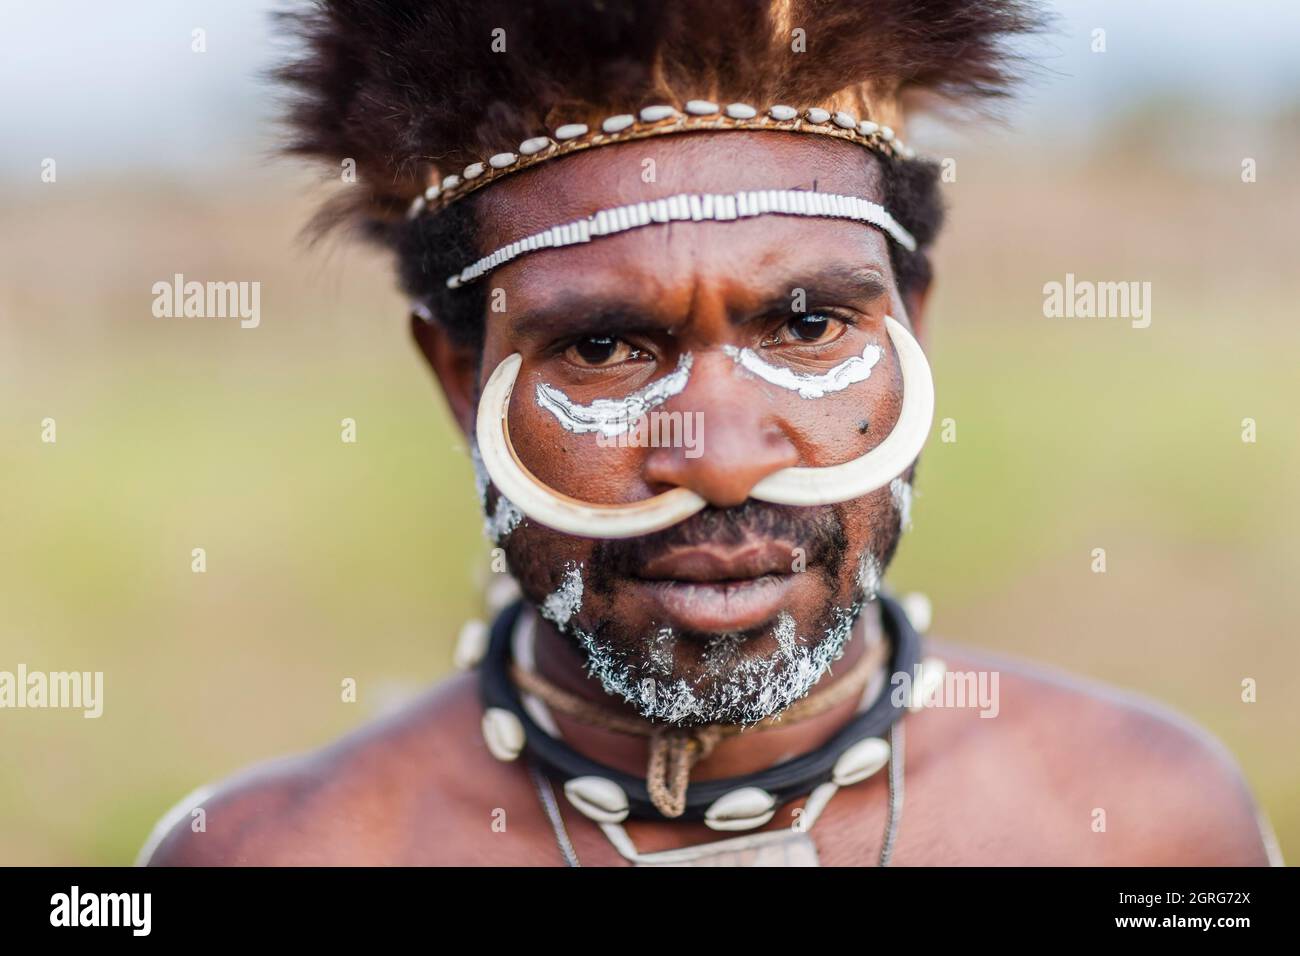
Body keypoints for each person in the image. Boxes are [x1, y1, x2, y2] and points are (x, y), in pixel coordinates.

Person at [140, 0, 1279, 866]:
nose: (726, 457)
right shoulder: (275, 852)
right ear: (459, 378)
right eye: (602, 347)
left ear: (913, 333)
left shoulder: (1145, 823)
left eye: (806, 324)